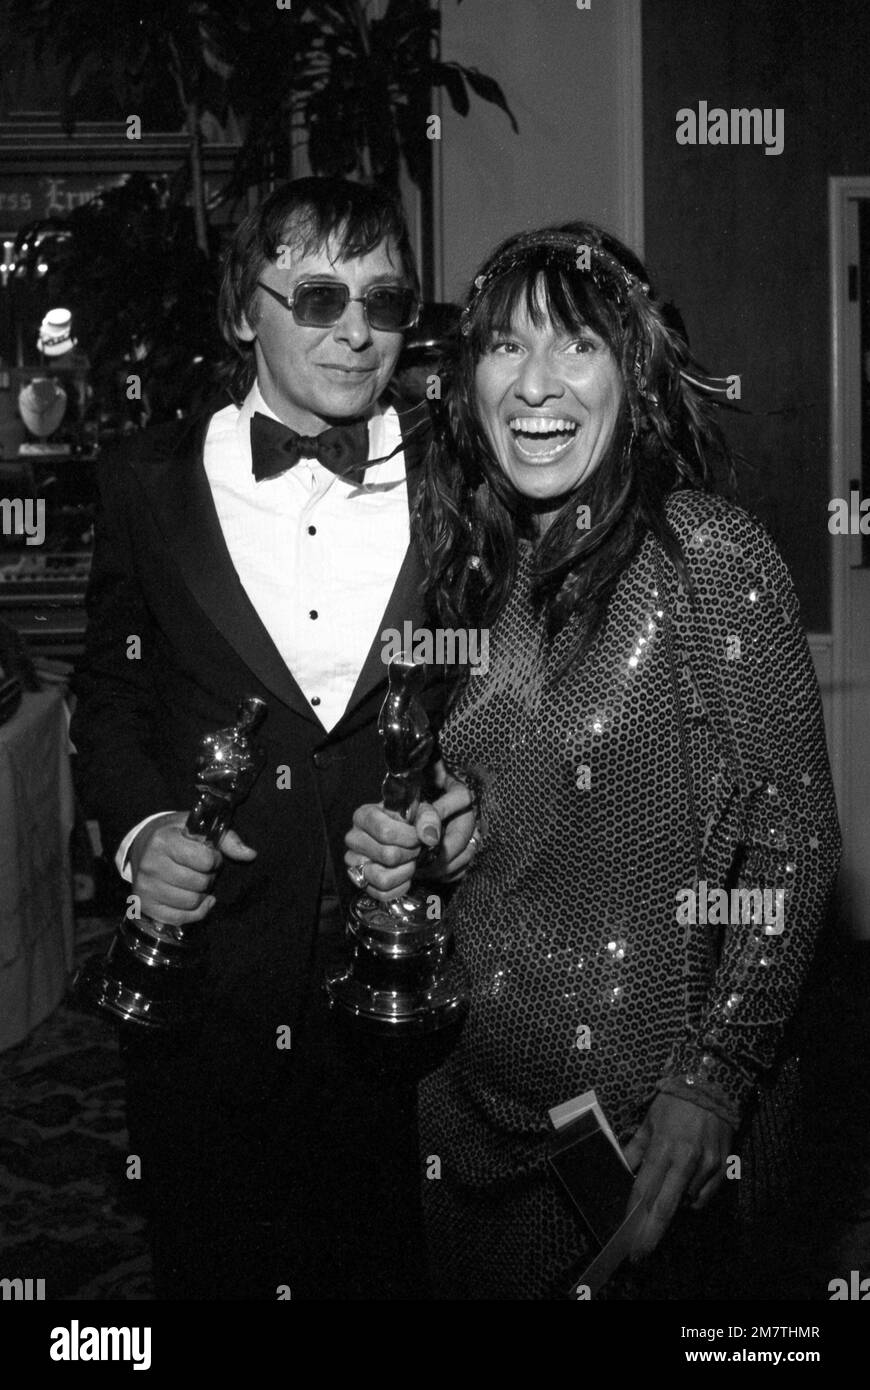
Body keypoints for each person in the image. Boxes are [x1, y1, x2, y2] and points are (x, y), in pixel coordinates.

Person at [345, 221, 842, 1299]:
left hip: (644, 1132)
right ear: (467, 378)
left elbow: (795, 839)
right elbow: (505, 791)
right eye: (504, 346)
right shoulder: (472, 564)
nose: (535, 382)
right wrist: (437, 838)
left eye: (577, 345)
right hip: (466, 1099)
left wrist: (714, 1075)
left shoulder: (705, 552)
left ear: (637, 373)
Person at [70, 177, 475, 1300]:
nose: (357, 327)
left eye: (385, 301)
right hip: (212, 995)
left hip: (406, 991)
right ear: (243, 310)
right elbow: (107, 693)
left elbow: (510, 692)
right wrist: (145, 826)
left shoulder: (464, 481)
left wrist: (463, 803)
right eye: (318, 294)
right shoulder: (147, 482)